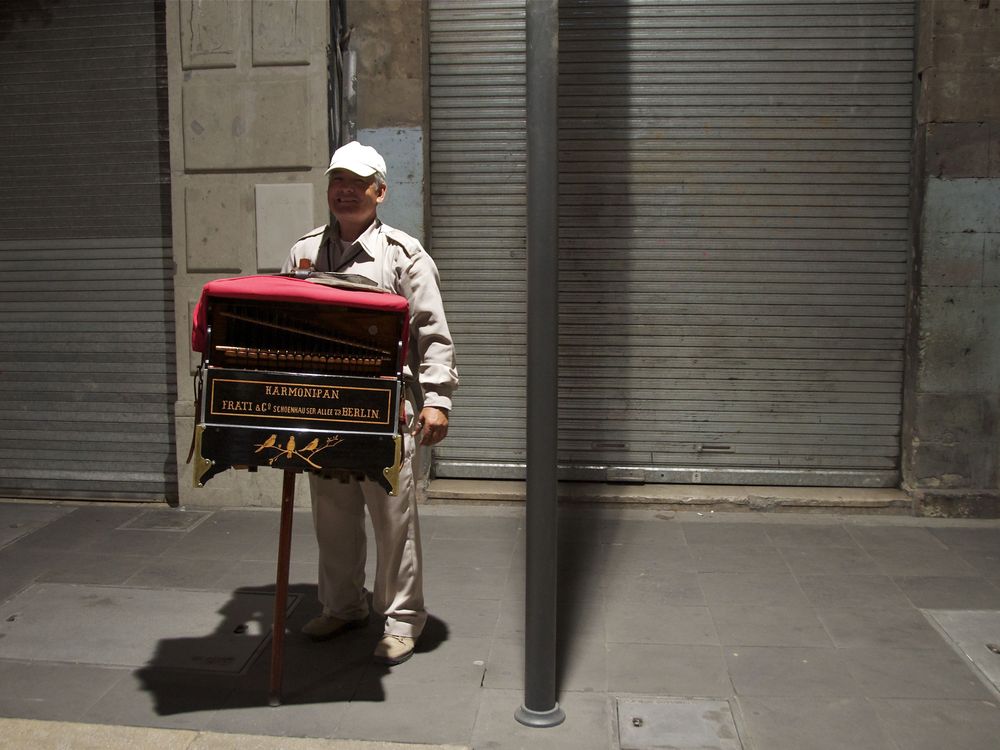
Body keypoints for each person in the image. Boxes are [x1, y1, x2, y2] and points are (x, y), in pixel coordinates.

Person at [281, 141, 458, 665]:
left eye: (357, 184)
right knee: (332, 515)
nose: (345, 191)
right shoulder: (303, 252)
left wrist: (438, 400)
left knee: (392, 519)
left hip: (385, 409)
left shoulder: (405, 255)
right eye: (338, 181)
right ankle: (342, 605)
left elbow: (433, 333)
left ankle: (403, 619)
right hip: (325, 406)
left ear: (380, 191)